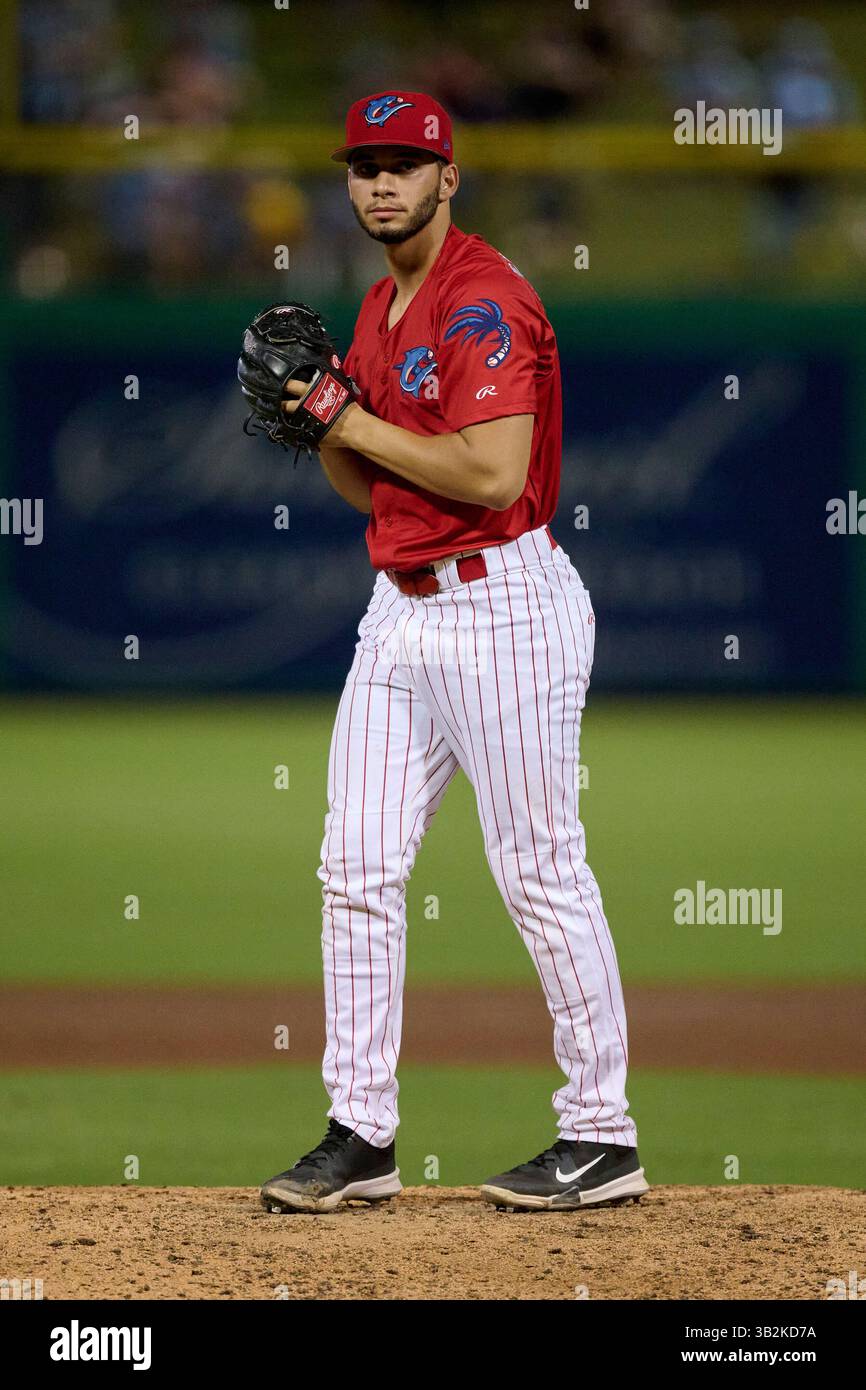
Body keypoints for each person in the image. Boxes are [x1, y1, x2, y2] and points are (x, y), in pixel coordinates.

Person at [260, 91, 648, 1214]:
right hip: (400, 609)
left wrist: (351, 414)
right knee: (355, 866)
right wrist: (322, 424)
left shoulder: (484, 300)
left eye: (403, 164)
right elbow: (365, 482)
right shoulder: (381, 308)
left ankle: (600, 1133)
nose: (381, 182)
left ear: (448, 177)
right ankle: (360, 1135)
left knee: (536, 866)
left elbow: (486, 472)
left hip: (503, 605)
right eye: (363, 166)